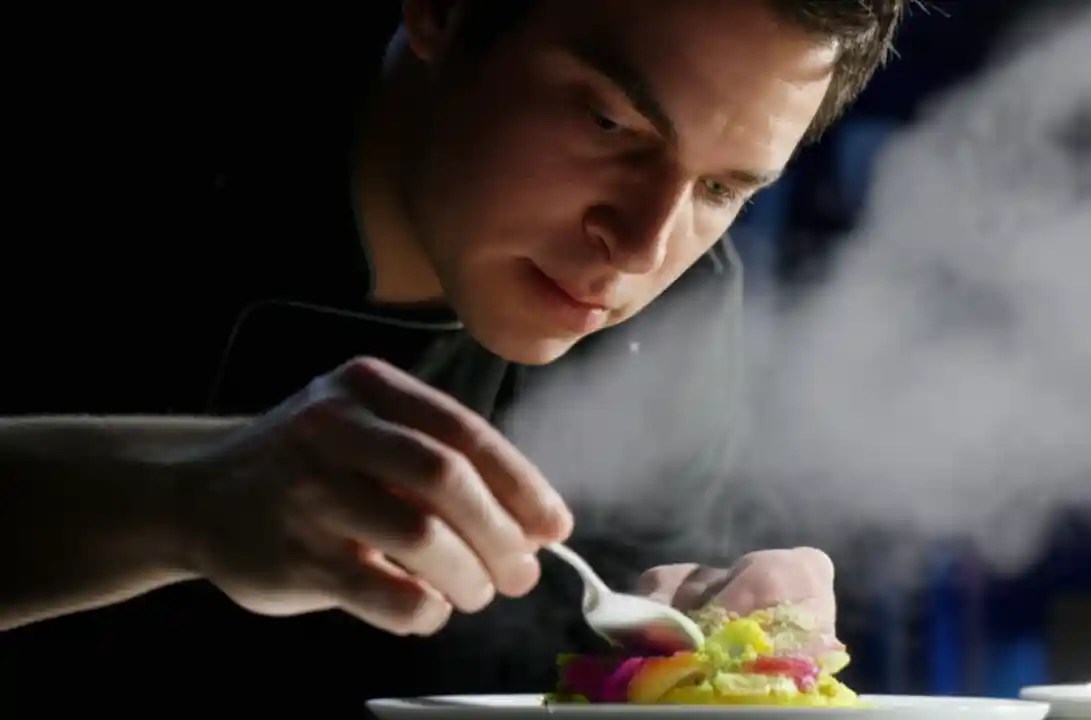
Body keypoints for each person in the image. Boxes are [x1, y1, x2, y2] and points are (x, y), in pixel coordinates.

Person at [0, 0, 904, 715]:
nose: (641, 248)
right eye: (608, 121)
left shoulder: (687, 308)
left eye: (718, 189)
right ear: (442, 9)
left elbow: (640, 608)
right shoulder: (96, 131)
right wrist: (179, 495)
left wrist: (705, 634)